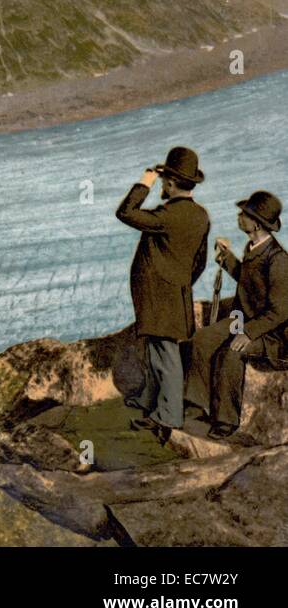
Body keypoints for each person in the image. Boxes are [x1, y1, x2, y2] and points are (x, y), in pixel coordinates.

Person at [115, 146, 210, 444]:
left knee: (165, 356)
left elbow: (125, 212)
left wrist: (144, 182)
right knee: (157, 350)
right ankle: (148, 399)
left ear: (169, 183)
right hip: (174, 292)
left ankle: (168, 416)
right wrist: (181, 282)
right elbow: (200, 261)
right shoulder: (200, 216)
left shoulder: (166, 215)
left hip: (159, 296)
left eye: (163, 181)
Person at [185, 191, 288, 439]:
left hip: (274, 336)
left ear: (256, 224)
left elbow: (281, 311)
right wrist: (227, 258)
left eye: (244, 214)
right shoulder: (254, 248)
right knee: (202, 340)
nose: (239, 217)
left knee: (231, 352)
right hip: (246, 320)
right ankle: (197, 404)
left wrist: (248, 333)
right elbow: (248, 281)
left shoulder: (279, 260)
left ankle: (225, 422)